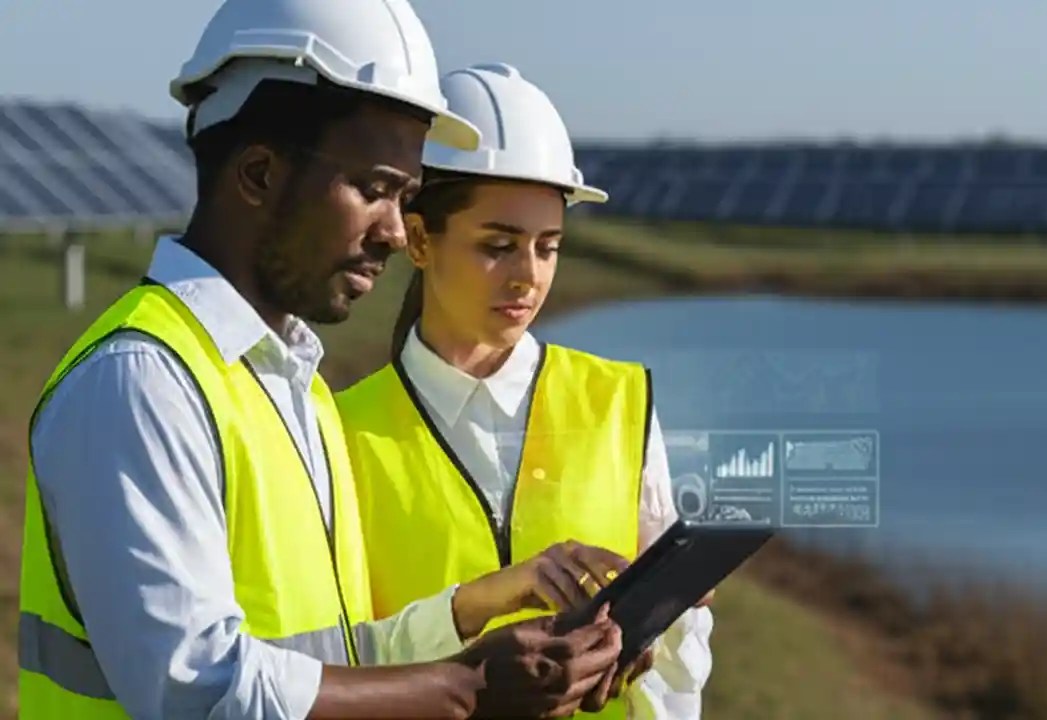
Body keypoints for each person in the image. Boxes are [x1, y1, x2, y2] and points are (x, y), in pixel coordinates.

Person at [16, 2, 623, 718]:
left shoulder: (295, 388)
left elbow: (325, 663)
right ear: (259, 174)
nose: (397, 234)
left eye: (406, 197)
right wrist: (469, 689)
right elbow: (199, 687)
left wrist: (472, 617)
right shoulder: (142, 382)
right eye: (374, 189)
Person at [336, 63, 714, 719]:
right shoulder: (338, 430)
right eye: (498, 246)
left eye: (548, 247)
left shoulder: (620, 400)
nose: (528, 278)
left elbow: (678, 680)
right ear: (421, 239)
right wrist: (478, 604)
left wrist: (660, 626)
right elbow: (338, 660)